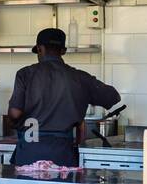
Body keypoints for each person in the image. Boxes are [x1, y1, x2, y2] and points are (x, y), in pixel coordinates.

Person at [7, 27, 121, 167]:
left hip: (29, 152)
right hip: (63, 154)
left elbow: (15, 113)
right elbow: (113, 97)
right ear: (63, 51)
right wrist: (86, 96)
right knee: (62, 181)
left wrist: (14, 123)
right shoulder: (80, 78)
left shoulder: (25, 74)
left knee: (26, 181)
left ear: (39, 49)